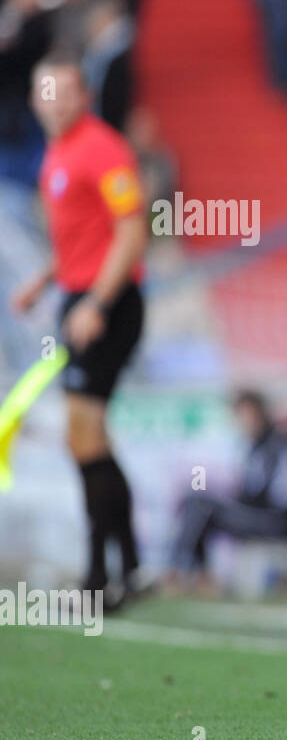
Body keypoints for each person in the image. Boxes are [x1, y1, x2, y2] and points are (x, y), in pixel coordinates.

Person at [8, 51, 148, 609]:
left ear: (83, 95)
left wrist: (95, 301)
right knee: (90, 438)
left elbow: (131, 230)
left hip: (108, 304)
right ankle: (127, 568)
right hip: (79, 297)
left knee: (83, 434)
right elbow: (81, 237)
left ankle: (100, 577)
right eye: (47, 92)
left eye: (65, 91)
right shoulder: (57, 153)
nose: (56, 102)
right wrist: (46, 278)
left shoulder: (102, 149)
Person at [166, 390, 287, 593]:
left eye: (246, 416)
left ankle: (179, 571)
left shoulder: (280, 446)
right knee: (196, 503)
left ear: (260, 414)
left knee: (200, 505)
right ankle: (198, 574)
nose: (242, 423)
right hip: (261, 513)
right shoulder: (254, 447)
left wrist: (240, 502)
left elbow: (281, 496)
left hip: (276, 521)